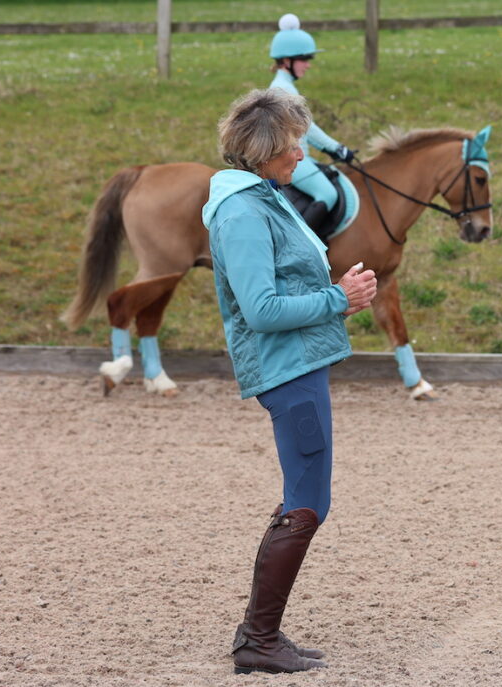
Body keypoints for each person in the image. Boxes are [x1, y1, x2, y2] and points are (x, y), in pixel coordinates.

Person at [202, 88, 378, 675]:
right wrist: (337, 298)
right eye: (293, 145)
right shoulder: (244, 211)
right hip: (286, 371)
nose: (302, 154)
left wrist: (339, 297)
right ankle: (257, 639)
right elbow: (260, 309)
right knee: (308, 502)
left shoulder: (264, 197)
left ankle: (261, 633)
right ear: (264, 151)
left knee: (307, 499)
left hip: (300, 364)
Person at [267, 13, 359, 238]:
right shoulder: (283, 90)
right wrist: (337, 148)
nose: (308, 65)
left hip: (301, 155)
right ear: (287, 61)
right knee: (328, 194)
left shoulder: (284, 86)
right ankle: (298, 244)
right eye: (304, 59)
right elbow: (307, 127)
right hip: (296, 159)